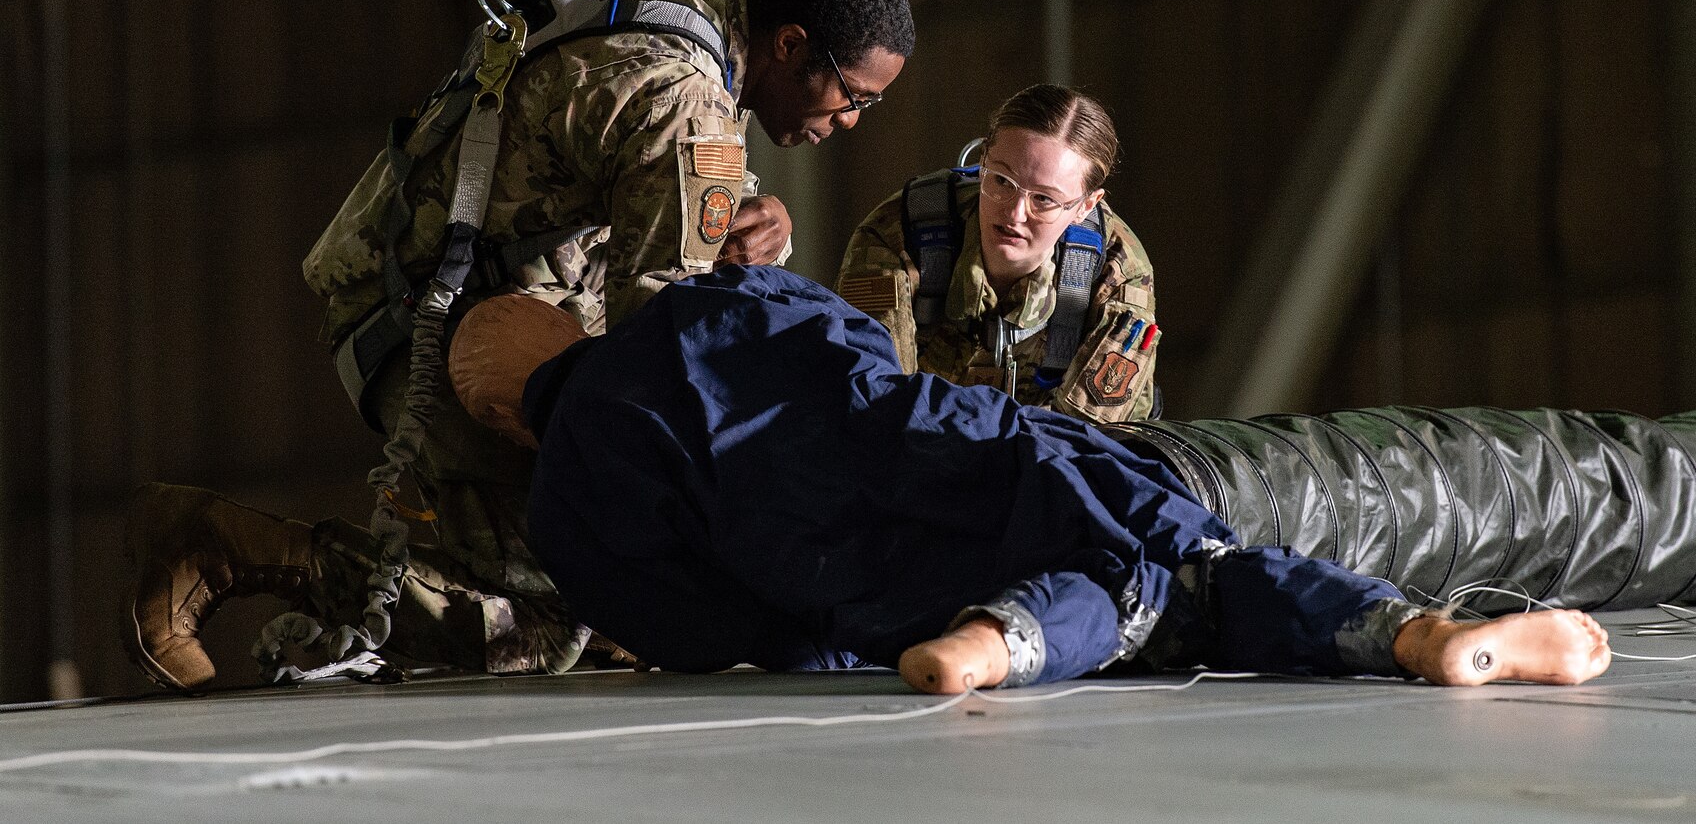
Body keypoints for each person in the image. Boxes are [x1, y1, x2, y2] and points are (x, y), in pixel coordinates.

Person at [123, 0, 915, 692]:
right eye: (856, 96)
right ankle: (228, 548)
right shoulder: (688, 100)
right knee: (548, 617)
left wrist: (751, 214)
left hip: (443, 293)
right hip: (436, 325)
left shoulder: (683, 18)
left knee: (624, 585)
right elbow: (665, 347)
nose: (850, 121)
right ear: (789, 44)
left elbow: (596, 180)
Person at [517, 265, 1611, 691]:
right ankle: (1407, 630)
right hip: (962, 453)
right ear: (558, 323)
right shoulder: (712, 305)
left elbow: (705, 632)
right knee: (1174, 563)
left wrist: (823, 626)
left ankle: (997, 639)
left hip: (853, 584)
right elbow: (861, 361)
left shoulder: (563, 517)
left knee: (1121, 595)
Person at [836, 85, 1160, 424]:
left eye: (1044, 200)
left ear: (1086, 206)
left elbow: (1092, 441)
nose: (1015, 214)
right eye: (1002, 181)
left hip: (1046, 461)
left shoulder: (1116, 268)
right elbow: (874, 408)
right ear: (983, 162)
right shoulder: (901, 234)